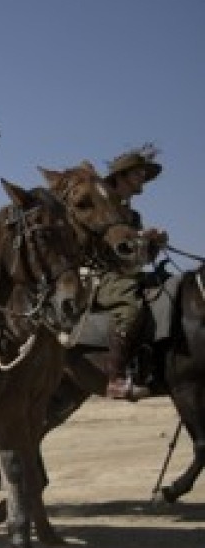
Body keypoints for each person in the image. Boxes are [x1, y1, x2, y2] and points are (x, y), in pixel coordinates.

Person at [97, 144, 167, 400]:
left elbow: (138, 260)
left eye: (144, 175)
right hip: (100, 275)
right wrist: (138, 239)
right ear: (122, 176)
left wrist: (153, 245)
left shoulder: (133, 215)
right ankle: (114, 377)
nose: (143, 180)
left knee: (168, 291)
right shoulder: (103, 207)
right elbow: (109, 250)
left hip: (126, 274)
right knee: (129, 303)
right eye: (138, 175)